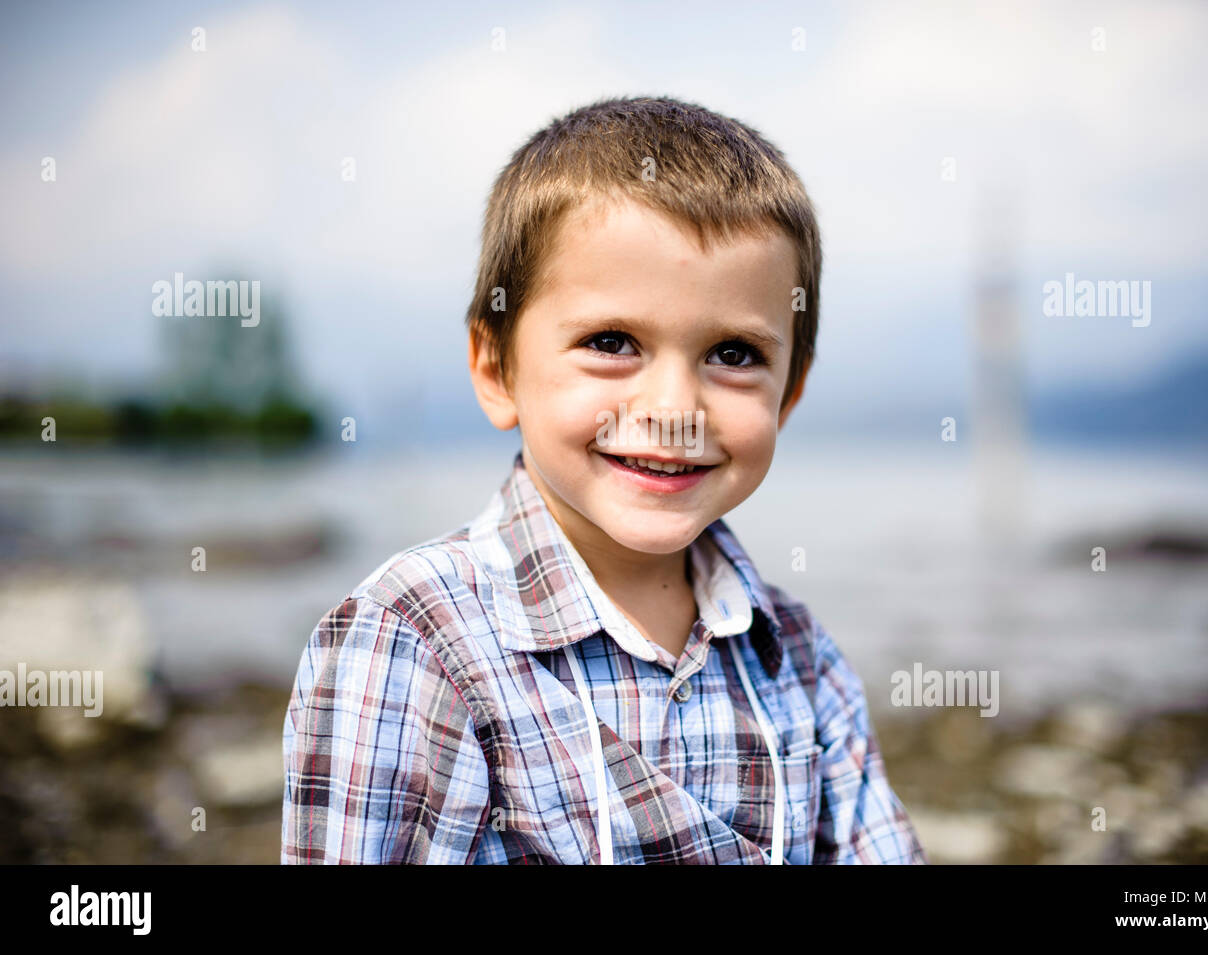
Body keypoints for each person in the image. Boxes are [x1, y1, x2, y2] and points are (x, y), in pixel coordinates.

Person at [281, 96, 927, 864]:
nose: (673, 409)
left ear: (788, 392)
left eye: (733, 354)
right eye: (612, 341)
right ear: (497, 368)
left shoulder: (800, 659)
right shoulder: (416, 642)